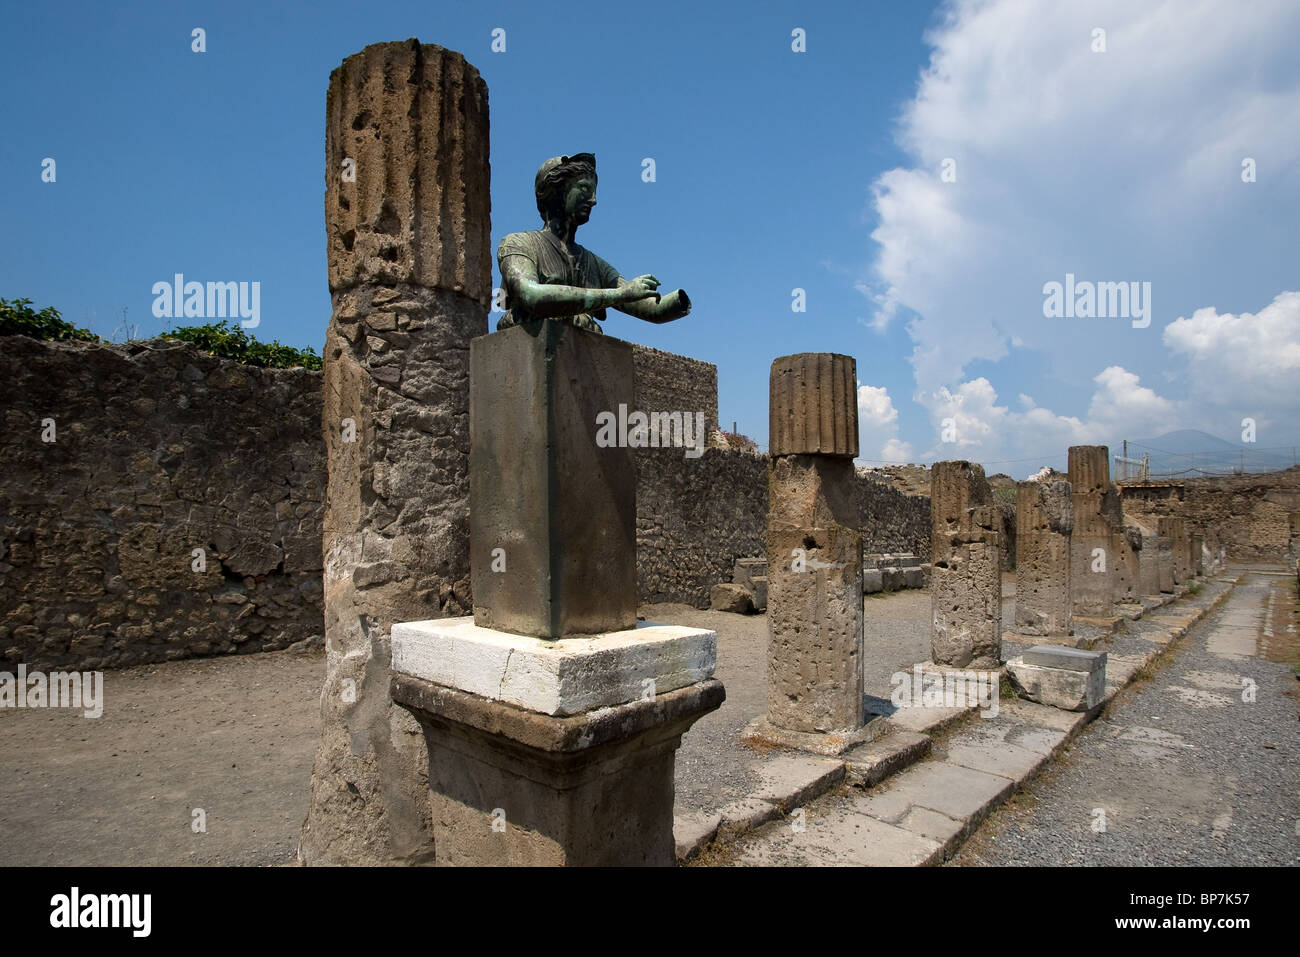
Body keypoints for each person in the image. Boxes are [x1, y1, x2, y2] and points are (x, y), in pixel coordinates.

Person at [496, 153, 691, 333]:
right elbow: (532, 295)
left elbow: (651, 310)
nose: (593, 200)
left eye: (594, 191)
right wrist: (620, 294)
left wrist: (675, 302)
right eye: (584, 188)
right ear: (554, 191)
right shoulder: (518, 243)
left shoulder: (594, 264)